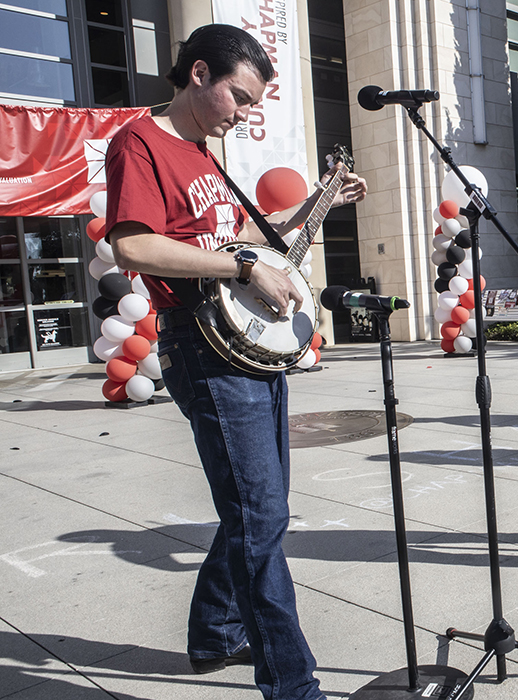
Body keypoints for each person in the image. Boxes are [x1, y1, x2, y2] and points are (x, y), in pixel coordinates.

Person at [105, 24, 366, 700]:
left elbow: (246, 231)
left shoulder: (202, 154)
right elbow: (134, 246)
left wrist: (318, 202)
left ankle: (215, 633)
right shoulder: (143, 143)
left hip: (247, 349)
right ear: (198, 75)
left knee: (263, 511)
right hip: (202, 344)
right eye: (240, 98)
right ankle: (292, 684)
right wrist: (244, 265)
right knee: (261, 516)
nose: (246, 114)